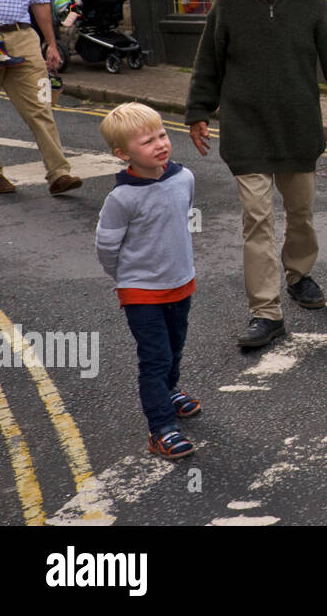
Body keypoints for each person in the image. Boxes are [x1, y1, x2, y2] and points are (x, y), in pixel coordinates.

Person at [185, 0, 327, 349]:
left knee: (300, 214)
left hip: (297, 129)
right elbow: (208, 61)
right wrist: (198, 111)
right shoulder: (229, 0)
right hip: (245, 130)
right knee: (257, 220)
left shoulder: (313, 4)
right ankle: (265, 313)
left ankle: (299, 274)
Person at [95, 103, 201, 459]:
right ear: (123, 154)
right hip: (141, 291)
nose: (160, 144)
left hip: (180, 283)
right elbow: (106, 246)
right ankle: (162, 429)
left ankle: (169, 391)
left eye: (162, 135)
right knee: (154, 358)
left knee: (174, 348)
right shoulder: (121, 198)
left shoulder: (184, 178)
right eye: (147, 141)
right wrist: (124, 280)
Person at [0, 0, 82, 196]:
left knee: (40, 106)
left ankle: (59, 173)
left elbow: (39, 1)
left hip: (22, 36)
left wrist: (51, 43)